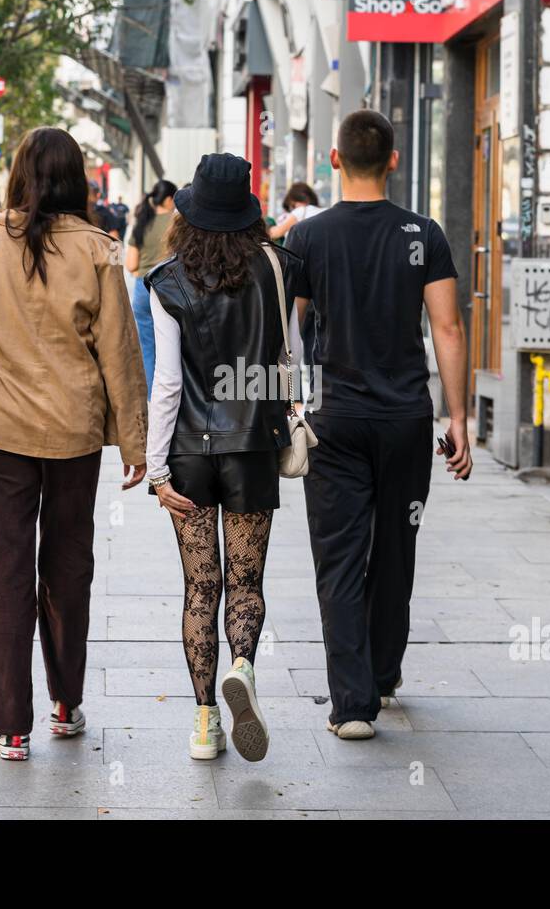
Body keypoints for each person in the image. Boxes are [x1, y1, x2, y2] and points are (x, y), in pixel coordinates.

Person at [0, 127, 149, 761]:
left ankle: (10, 726)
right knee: (68, 568)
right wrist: (136, 442)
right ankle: (65, 701)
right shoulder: (100, 251)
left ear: (19, 176)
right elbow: (118, 350)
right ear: (74, 179)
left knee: (3, 573)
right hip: (73, 434)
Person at [289, 109, 473, 740]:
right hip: (404, 421)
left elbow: (288, 330)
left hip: (334, 420)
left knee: (338, 557)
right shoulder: (424, 233)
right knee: (397, 548)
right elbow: (446, 329)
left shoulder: (309, 238)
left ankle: (352, 705)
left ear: (335, 160)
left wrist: (288, 403)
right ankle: (385, 670)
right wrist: (460, 418)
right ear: (394, 160)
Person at [145, 152, 303, 762]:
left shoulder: (168, 280)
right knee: (246, 581)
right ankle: (243, 666)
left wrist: (156, 468)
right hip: (252, 446)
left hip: (189, 450)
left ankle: (206, 721)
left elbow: (166, 385)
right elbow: (285, 361)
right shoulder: (277, 267)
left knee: (199, 587)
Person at [125, 180, 178, 395]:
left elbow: (131, 264)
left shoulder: (141, 222)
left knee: (148, 349)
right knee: (174, 347)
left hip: (142, 289)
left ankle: (151, 397)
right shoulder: (176, 221)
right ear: (168, 199)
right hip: (170, 288)